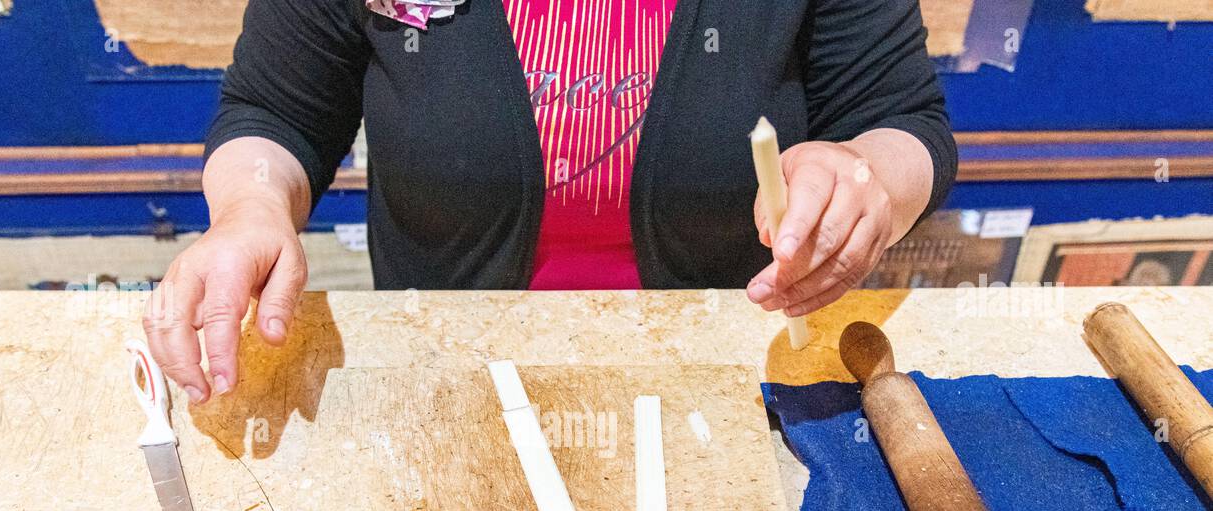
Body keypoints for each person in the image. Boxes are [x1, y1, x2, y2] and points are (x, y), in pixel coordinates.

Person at [145, 0, 956, 403]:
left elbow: (903, 122)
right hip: (451, 374)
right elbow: (278, 112)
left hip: (721, 373)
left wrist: (866, 176)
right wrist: (251, 209)